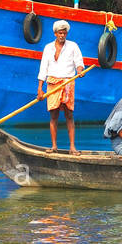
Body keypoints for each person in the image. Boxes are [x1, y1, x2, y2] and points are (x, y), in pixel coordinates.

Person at [37, 20, 83, 153]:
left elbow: (79, 62)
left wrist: (79, 71)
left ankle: (72, 147)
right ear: (55, 34)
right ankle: (54, 146)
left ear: (66, 33)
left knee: (69, 115)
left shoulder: (73, 46)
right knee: (54, 115)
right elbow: (43, 68)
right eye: (60, 33)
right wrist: (40, 88)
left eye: (64, 33)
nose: (62, 35)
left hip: (68, 82)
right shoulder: (48, 48)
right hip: (52, 83)